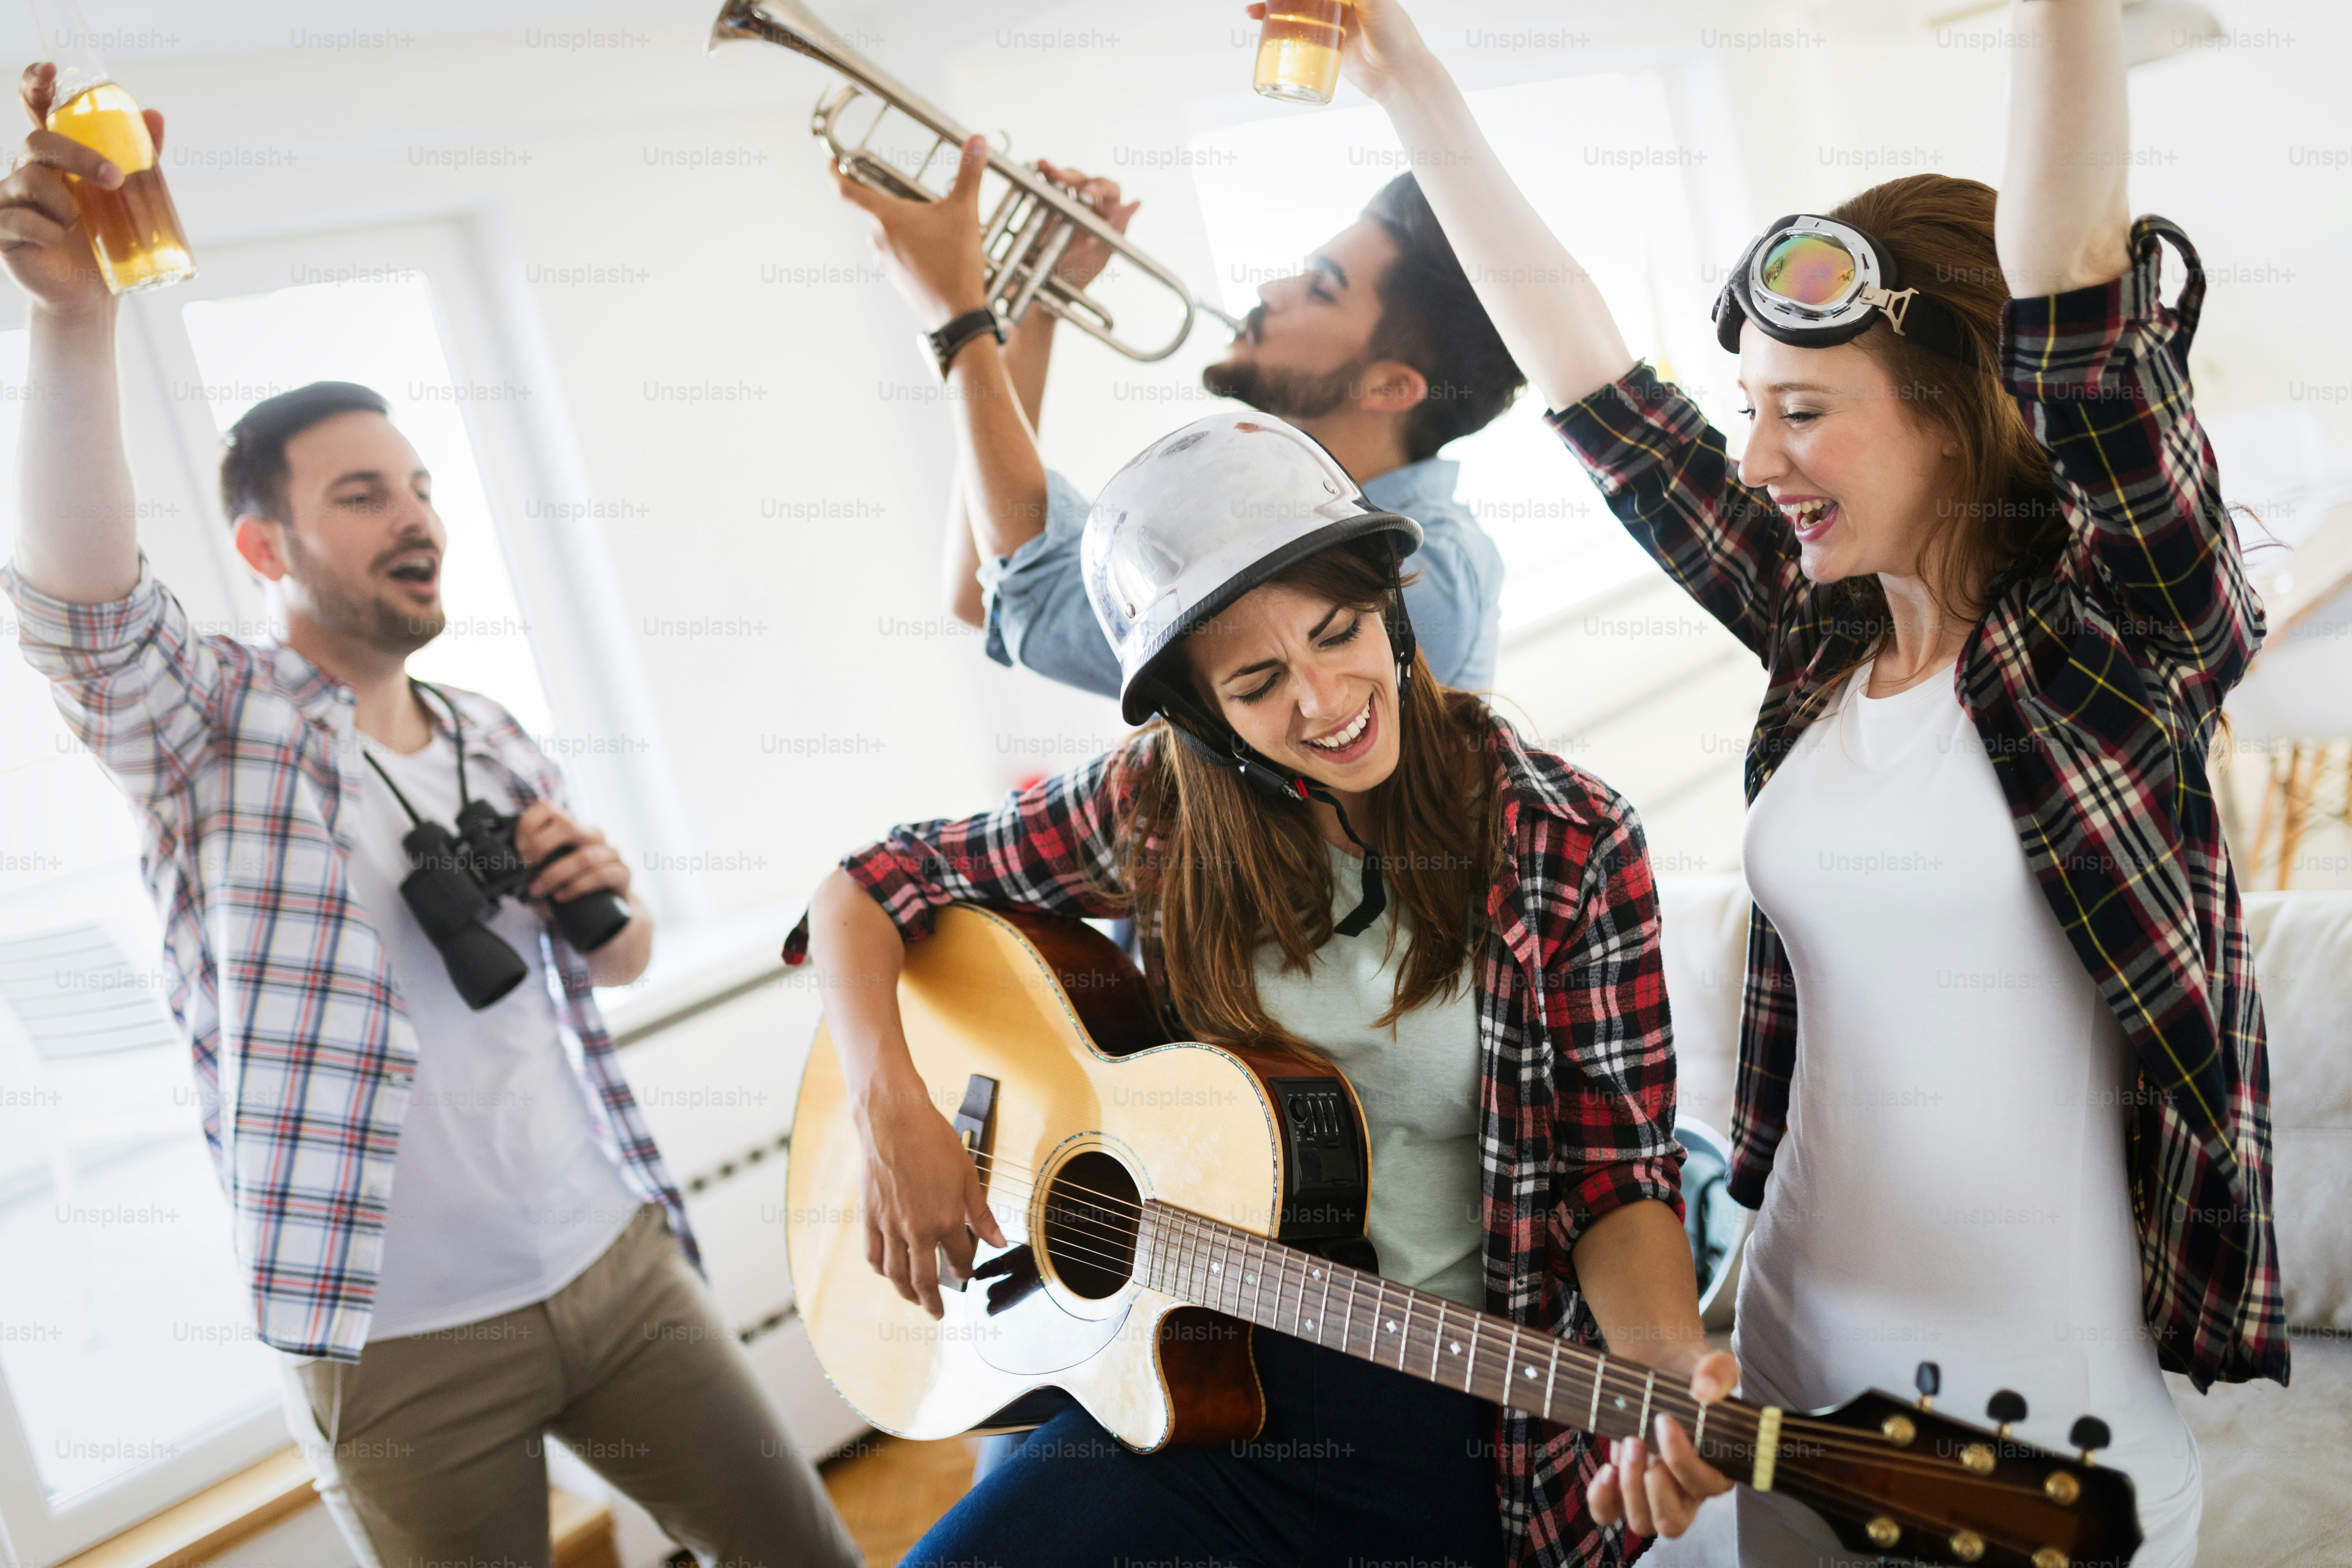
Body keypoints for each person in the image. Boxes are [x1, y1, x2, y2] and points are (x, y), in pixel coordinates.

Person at [1326, 0, 2287, 1561]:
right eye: (1749, 412)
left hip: (2043, 1435)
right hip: (1784, 1370)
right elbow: (1589, 380)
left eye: (1805, 412)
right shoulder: (1818, 633)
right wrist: (1403, 73)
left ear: (1960, 411)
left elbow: (2080, 321)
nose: (1759, 463)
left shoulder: (2120, 653)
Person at [0, 63, 857, 1568]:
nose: (417, 516)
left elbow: (620, 958)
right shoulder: (221, 724)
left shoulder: (494, 731)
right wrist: (76, 320)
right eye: (360, 495)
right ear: (265, 543)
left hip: (613, 1256)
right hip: (390, 1337)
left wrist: (615, 899)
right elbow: (87, 621)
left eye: (420, 483)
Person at [791, 411, 1737, 1565]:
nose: (1324, 700)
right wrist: (893, 1112)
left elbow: (1613, 1180)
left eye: (1340, 633)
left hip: (1444, 1420)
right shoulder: (1159, 805)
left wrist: (1667, 1376)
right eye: (1257, 682)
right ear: (1201, 718)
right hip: (1183, 1362)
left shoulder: (1566, 839)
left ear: (1390, 603)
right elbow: (867, 886)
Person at [830, 140, 1520, 695]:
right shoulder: (1262, 511)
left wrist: (961, 323)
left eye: (1320, 289)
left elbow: (1033, 600)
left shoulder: (1424, 580)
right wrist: (1045, 299)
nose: (1271, 289)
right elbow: (988, 593)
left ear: (1391, 387)